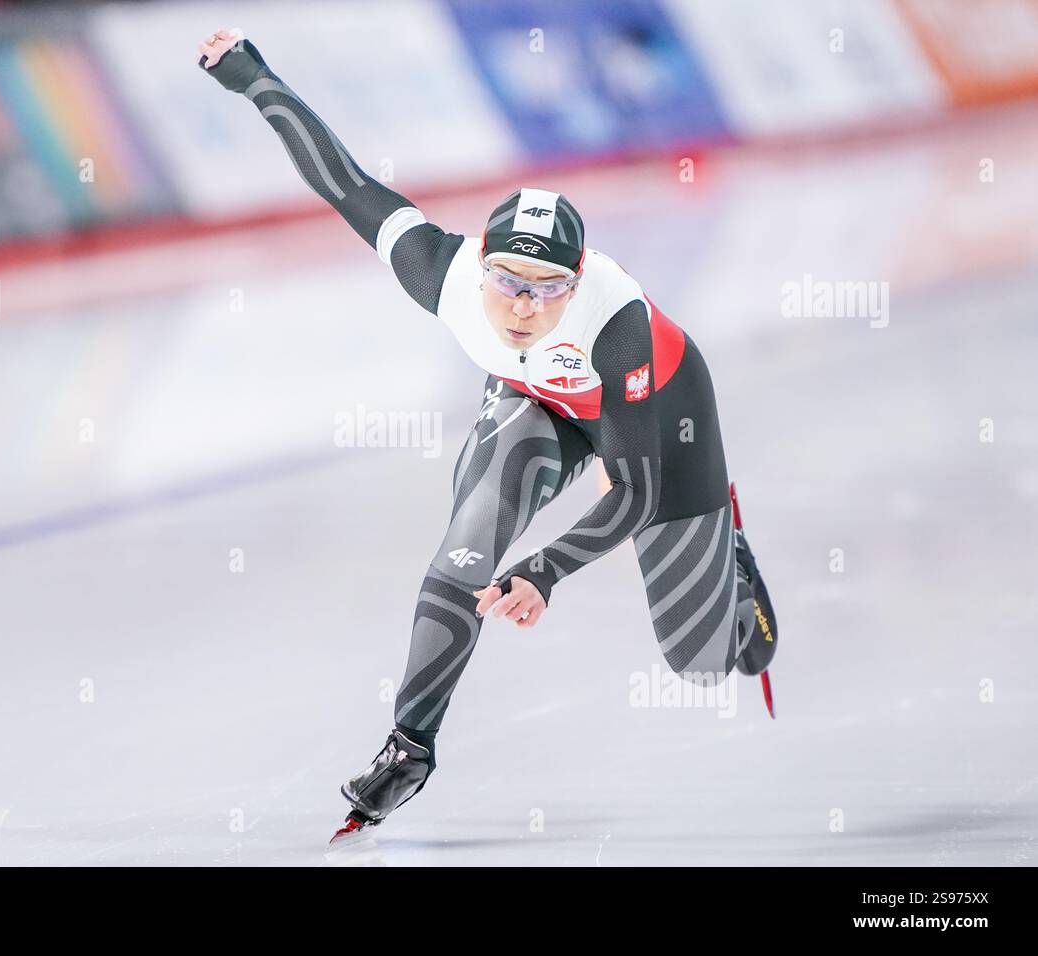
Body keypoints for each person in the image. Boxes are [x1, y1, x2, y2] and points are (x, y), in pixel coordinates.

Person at [196, 28, 778, 840]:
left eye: (548, 290)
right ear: (480, 267)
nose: (524, 306)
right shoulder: (441, 270)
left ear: (577, 282)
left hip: (654, 416)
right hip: (536, 401)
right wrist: (251, 76)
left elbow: (634, 489)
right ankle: (409, 746)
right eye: (508, 281)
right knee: (467, 548)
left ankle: (733, 572)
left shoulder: (619, 327)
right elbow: (344, 182)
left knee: (711, 661)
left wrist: (544, 569)